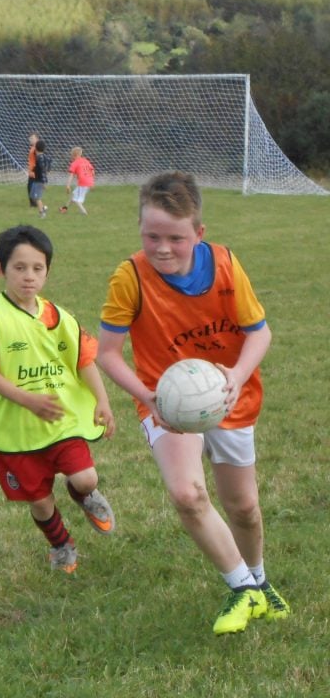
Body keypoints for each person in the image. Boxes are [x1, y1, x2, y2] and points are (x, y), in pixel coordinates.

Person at [95, 171, 291, 636]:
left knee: (243, 506)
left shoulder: (224, 264)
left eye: (175, 238)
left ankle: (260, 581)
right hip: (164, 402)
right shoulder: (130, 277)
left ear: (199, 233)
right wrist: (148, 397)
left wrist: (235, 378)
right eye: (151, 236)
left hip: (227, 398)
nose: (162, 248)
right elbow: (106, 353)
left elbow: (259, 332)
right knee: (186, 494)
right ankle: (242, 588)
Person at [0, 225, 116, 574]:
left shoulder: (59, 317)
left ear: (48, 270)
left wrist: (103, 401)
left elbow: (84, 359)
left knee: (86, 478)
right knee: (39, 500)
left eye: (38, 268)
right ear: (0, 269)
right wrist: (27, 400)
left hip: (60, 420)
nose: (29, 277)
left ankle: (85, 497)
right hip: (15, 431)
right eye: (19, 268)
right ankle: (61, 544)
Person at [62, 146, 95, 215]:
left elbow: (71, 175)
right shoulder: (86, 160)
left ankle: (84, 212)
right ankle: (65, 208)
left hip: (83, 183)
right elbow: (93, 172)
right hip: (89, 182)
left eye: (71, 155)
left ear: (74, 155)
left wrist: (68, 185)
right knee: (74, 195)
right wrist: (92, 182)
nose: (71, 157)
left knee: (77, 200)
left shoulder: (74, 163)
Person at [31, 139, 50, 218]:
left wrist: (44, 182)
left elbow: (42, 170)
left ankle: (42, 213)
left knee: (37, 198)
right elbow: (50, 161)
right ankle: (43, 208)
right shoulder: (43, 156)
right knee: (32, 196)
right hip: (36, 180)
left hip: (39, 181)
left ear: (35, 148)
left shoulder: (40, 158)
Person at [25, 133, 39, 208]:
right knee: (30, 187)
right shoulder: (33, 148)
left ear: (37, 139)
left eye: (33, 138)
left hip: (34, 171)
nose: (31, 140)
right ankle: (33, 203)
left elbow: (38, 159)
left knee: (31, 187)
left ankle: (34, 204)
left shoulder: (37, 148)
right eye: (30, 138)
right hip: (31, 171)